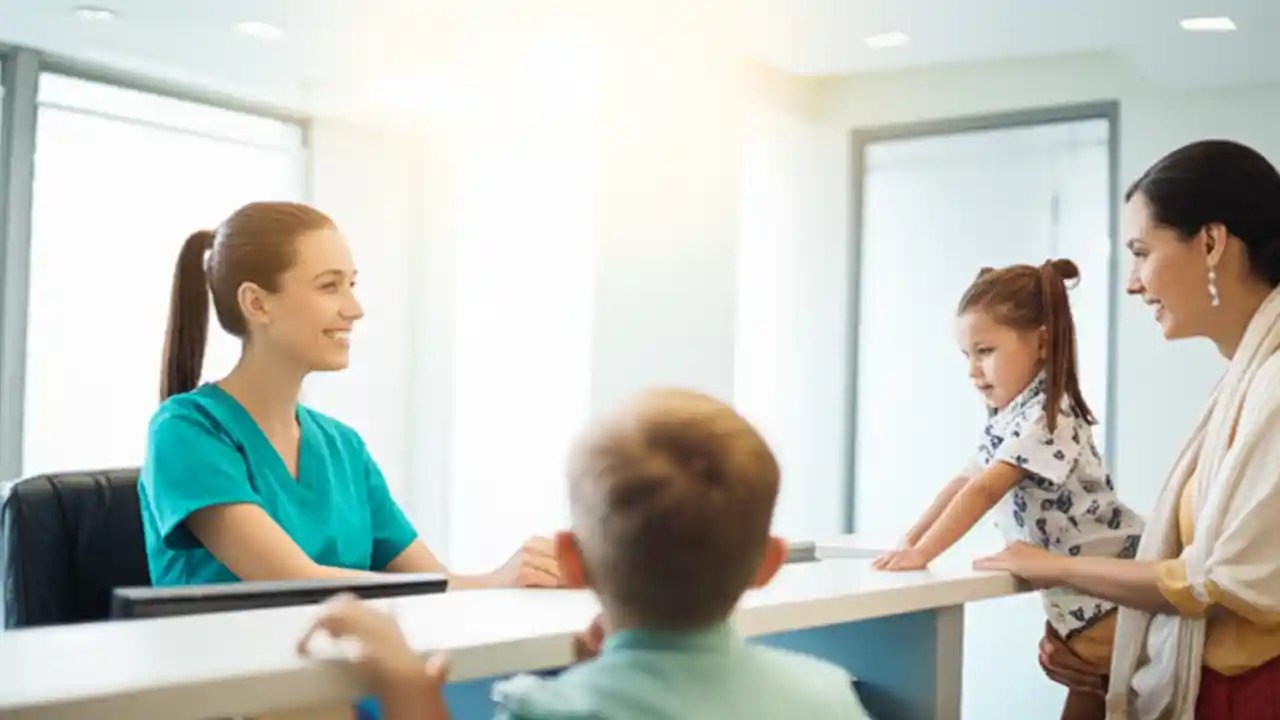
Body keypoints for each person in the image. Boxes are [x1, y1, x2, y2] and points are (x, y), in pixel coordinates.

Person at [298, 388, 872, 719]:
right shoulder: (829, 698)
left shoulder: (549, 710)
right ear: (767, 564)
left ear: (571, 559)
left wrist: (409, 688)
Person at [976, 139, 1280, 719]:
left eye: (1142, 253)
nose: (1134, 283)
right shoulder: (1246, 382)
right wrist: (1113, 655)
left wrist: (1058, 567)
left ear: (1211, 243)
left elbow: (1208, 584)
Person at [139, 201, 558, 590]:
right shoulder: (185, 430)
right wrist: (489, 583)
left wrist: (509, 577)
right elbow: (295, 583)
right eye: (329, 286)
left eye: (351, 283)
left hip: (339, 667)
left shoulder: (343, 447)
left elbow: (434, 585)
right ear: (257, 304)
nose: (354, 308)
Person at [873, 259, 1144, 719]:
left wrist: (924, 555)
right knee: (1086, 689)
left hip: (1108, 593)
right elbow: (964, 481)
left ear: (1041, 341)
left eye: (985, 351)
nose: (974, 371)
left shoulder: (1045, 415)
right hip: (1076, 599)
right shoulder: (1010, 414)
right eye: (967, 356)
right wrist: (911, 539)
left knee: (1104, 694)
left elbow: (983, 492)